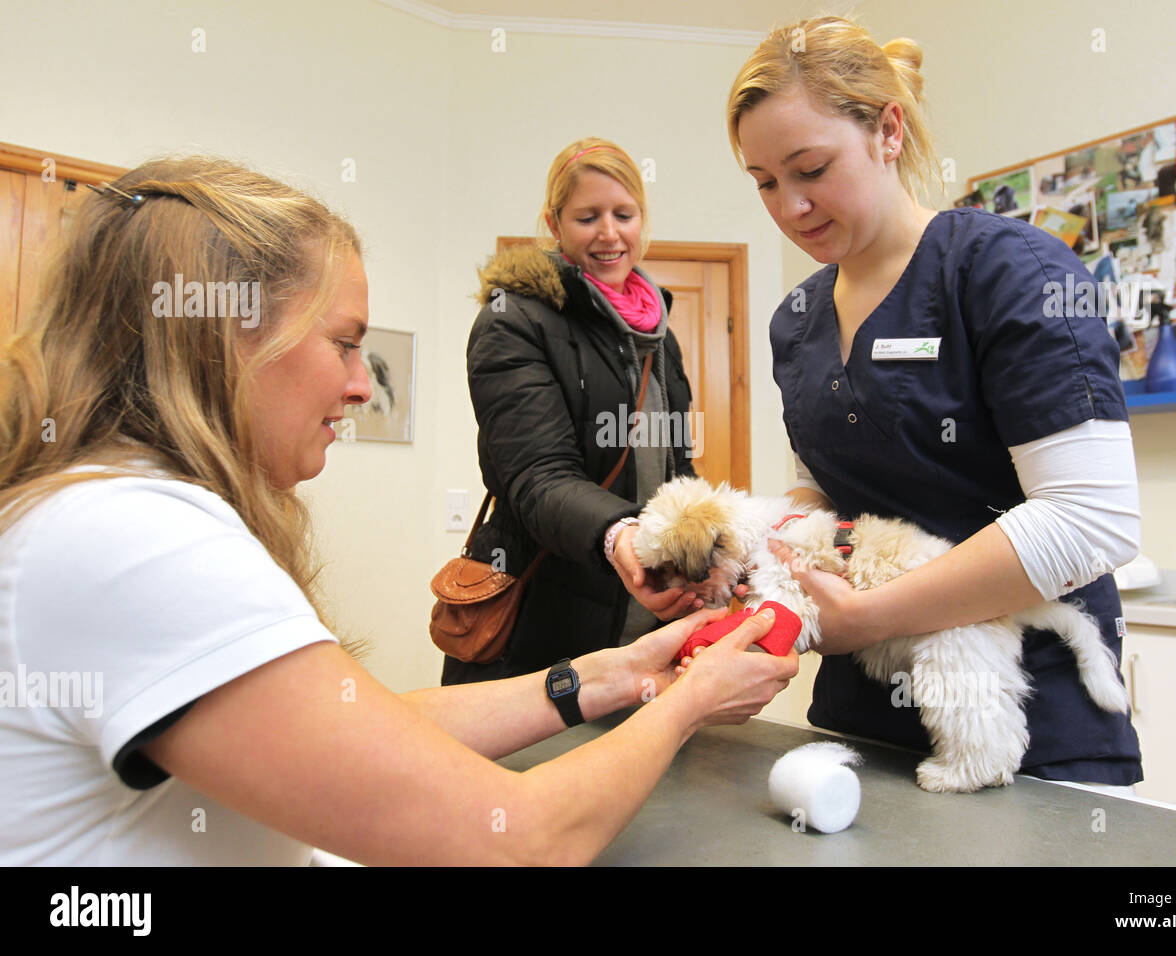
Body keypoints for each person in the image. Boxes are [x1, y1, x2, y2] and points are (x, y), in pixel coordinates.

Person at [0, 157, 798, 865]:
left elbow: (367, 728)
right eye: (345, 344)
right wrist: (691, 702)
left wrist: (621, 674)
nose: (359, 383)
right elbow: (523, 839)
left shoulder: (107, 514)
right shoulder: (139, 542)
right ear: (221, 337)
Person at [725, 17, 1143, 787]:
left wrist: (872, 615)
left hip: (1027, 721)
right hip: (862, 717)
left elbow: (1093, 518)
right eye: (765, 183)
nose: (789, 207)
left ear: (889, 130)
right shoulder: (796, 321)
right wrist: (757, 557)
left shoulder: (1005, 272)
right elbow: (826, 489)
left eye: (810, 168)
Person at [443, 137, 727, 685]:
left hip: (647, 623)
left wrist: (708, 546)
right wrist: (621, 534)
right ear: (554, 222)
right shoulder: (514, 320)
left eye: (624, 214)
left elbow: (678, 471)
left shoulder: (660, 339)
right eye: (587, 216)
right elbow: (538, 477)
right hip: (543, 626)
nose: (609, 232)